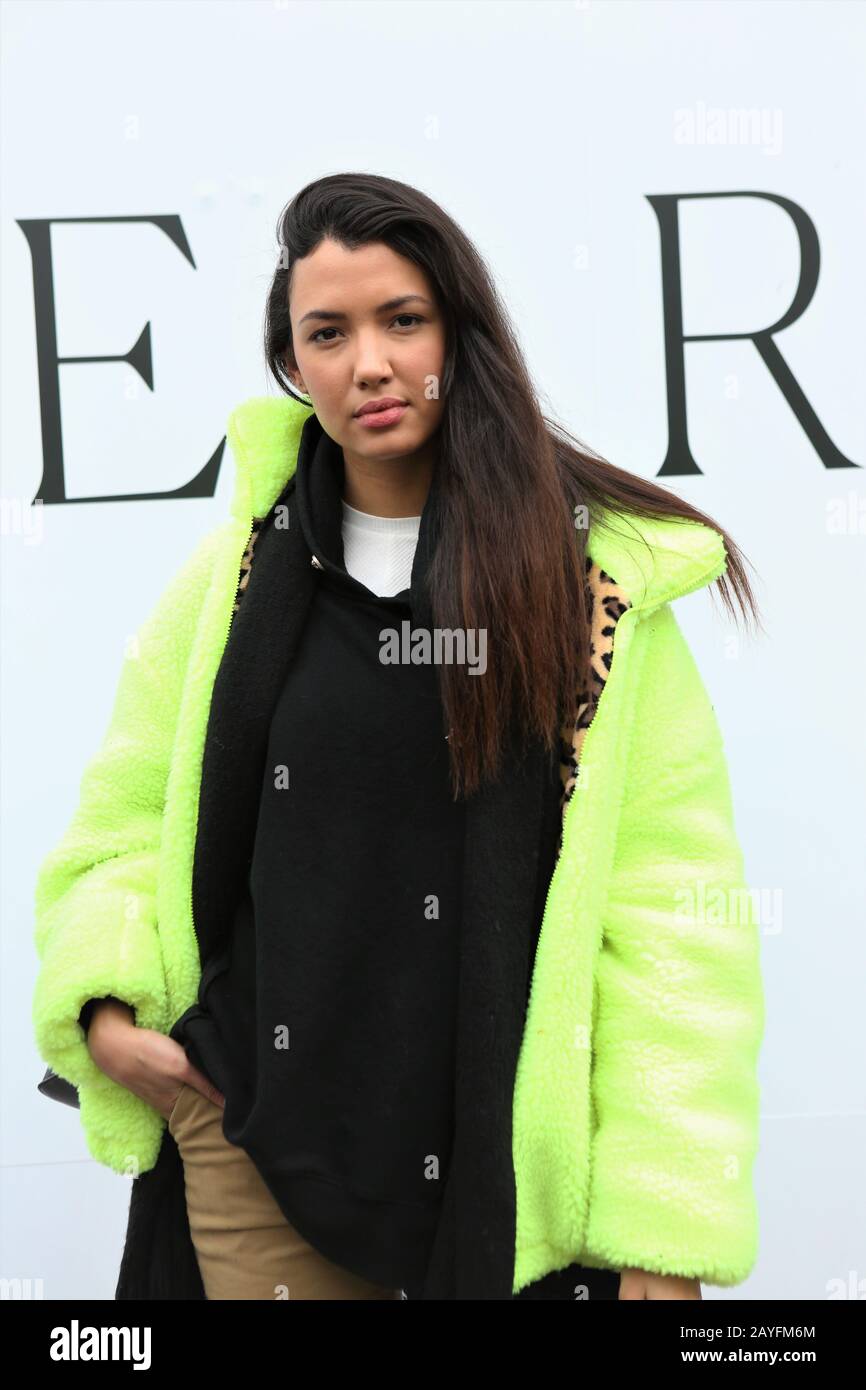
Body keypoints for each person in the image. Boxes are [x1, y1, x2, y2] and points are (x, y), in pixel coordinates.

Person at [32, 172, 765, 1301]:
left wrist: (659, 1244)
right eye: (325, 333)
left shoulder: (585, 587)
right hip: (254, 1155)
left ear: (457, 335)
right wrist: (108, 1007)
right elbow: (127, 818)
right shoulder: (235, 578)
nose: (366, 362)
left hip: (501, 1183)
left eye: (400, 320)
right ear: (292, 366)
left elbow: (670, 925)